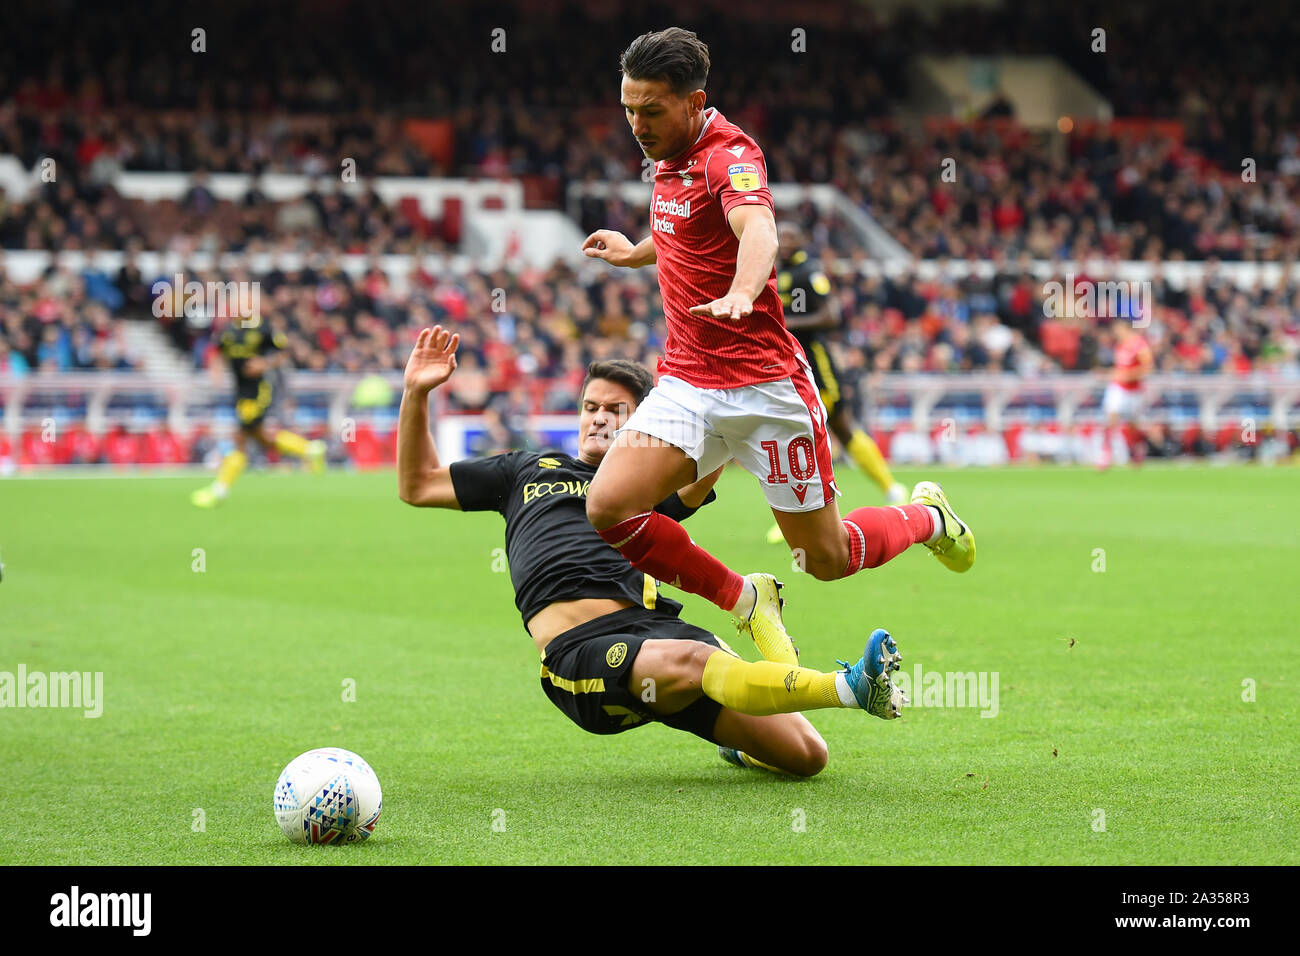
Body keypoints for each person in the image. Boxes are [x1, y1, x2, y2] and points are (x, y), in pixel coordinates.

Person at [580, 27, 975, 629]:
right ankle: (744, 599)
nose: (637, 123)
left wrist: (743, 290)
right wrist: (636, 251)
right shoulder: (666, 158)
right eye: (629, 108)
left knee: (825, 558)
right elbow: (688, 236)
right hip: (688, 383)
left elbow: (756, 230)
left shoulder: (729, 156)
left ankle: (928, 518)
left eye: (650, 110)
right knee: (607, 507)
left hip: (765, 388)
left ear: (692, 101)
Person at [397, 326, 908, 777]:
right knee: (694, 659)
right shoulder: (525, 470)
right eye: (590, 407)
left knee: (807, 756)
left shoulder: (643, 494)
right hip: (581, 653)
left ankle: (737, 735)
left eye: (615, 411)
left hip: (659, 633)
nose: (597, 419)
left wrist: (716, 398)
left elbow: (711, 452)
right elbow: (417, 485)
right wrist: (416, 393)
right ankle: (847, 687)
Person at [765, 221, 905, 545]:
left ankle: (890, 488)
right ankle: (797, 517)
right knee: (804, 432)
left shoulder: (808, 273)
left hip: (815, 360)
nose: (783, 242)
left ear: (801, 241)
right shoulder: (774, 270)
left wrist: (786, 322)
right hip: (787, 359)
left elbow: (831, 316)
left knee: (834, 427)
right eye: (780, 236)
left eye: (790, 237)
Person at [191, 314, 324, 507]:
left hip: (258, 391)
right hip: (240, 393)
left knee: (241, 440)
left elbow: (285, 350)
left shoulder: (261, 328)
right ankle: (310, 450)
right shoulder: (228, 331)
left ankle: (218, 491)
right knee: (261, 438)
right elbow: (216, 352)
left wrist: (265, 363)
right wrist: (215, 371)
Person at [1098, 318, 1154, 470]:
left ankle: (1137, 448)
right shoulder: (1120, 345)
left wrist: (1128, 375)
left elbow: (1148, 367)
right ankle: (1106, 453)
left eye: (1118, 328)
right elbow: (1120, 369)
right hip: (1118, 388)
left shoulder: (1139, 344)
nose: (1116, 332)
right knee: (1111, 416)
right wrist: (1110, 373)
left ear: (1126, 327)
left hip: (1134, 390)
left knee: (1132, 425)